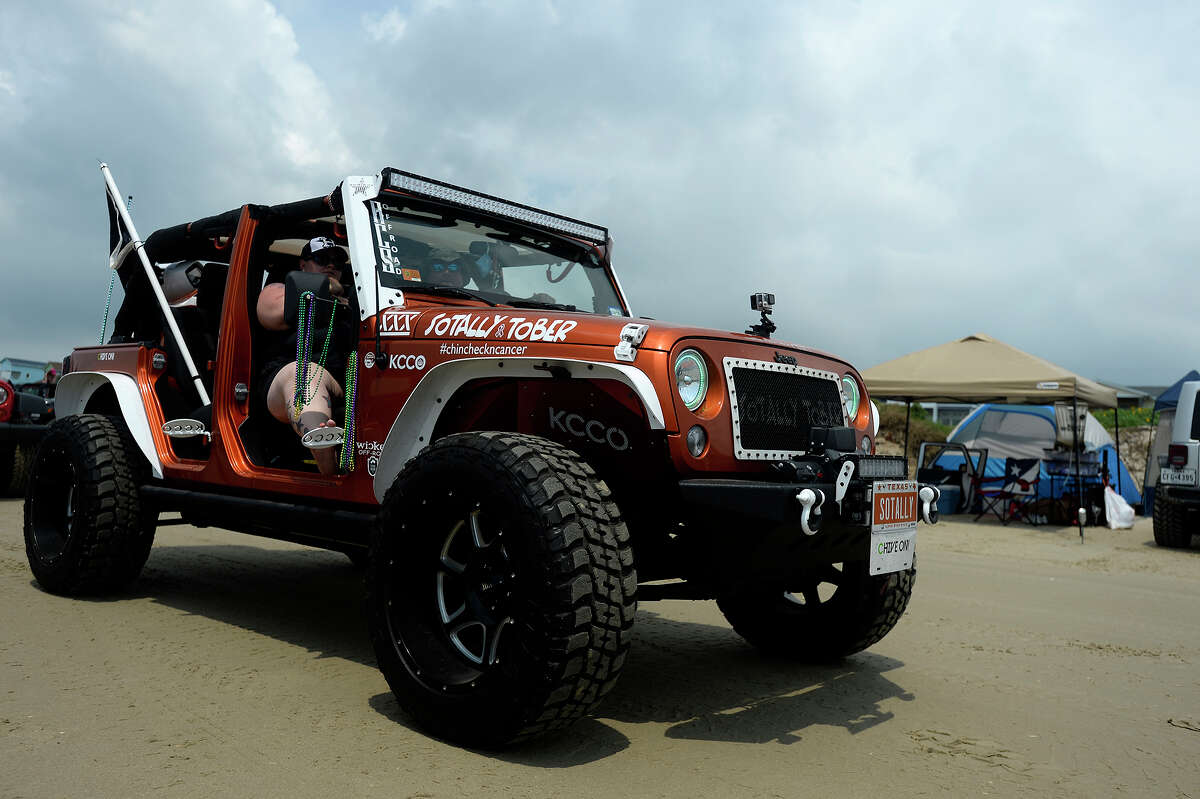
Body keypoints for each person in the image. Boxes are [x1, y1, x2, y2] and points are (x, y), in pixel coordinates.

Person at [256, 237, 354, 474]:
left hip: (346, 380)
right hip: (286, 379)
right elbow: (270, 314)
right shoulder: (279, 290)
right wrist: (325, 289)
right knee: (307, 373)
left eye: (337, 262)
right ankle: (324, 452)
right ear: (302, 265)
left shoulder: (358, 298)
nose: (331, 266)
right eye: (322, 259)